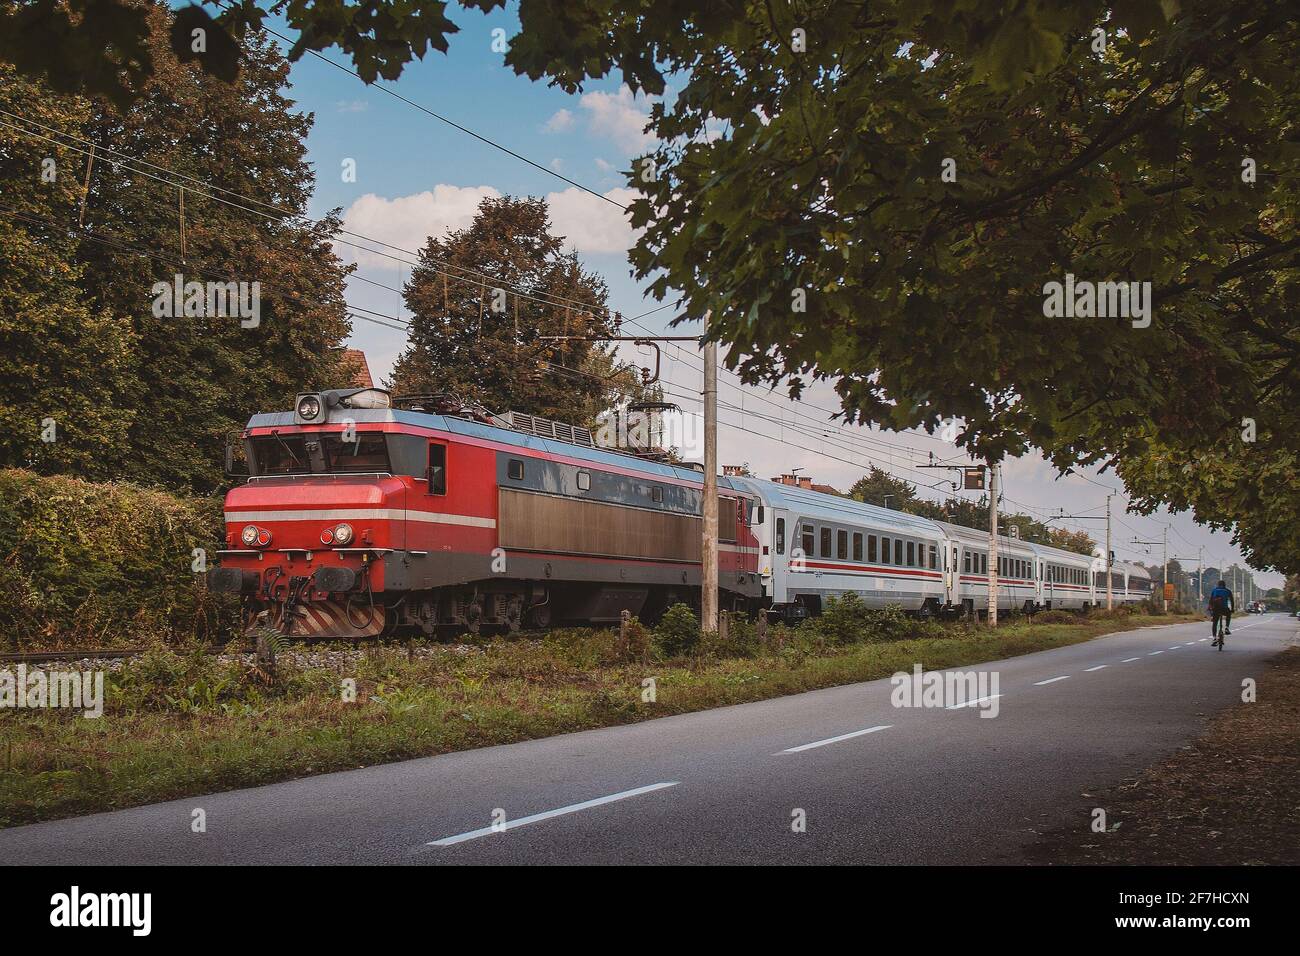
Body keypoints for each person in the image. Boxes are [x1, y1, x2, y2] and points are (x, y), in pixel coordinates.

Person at [1208, 580, 1234, 647]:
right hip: (1224, 609)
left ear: (1218, 584)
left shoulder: (1214, 590)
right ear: (1224, 585)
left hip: (1216, 609)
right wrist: (1232, 609)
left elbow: (1210, 600)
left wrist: (1210, 609)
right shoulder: (1227, 591)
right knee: (1228, 614)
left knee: (1215, 623)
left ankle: (1214, 638)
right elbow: (1232, 600)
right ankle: (1227, 628)